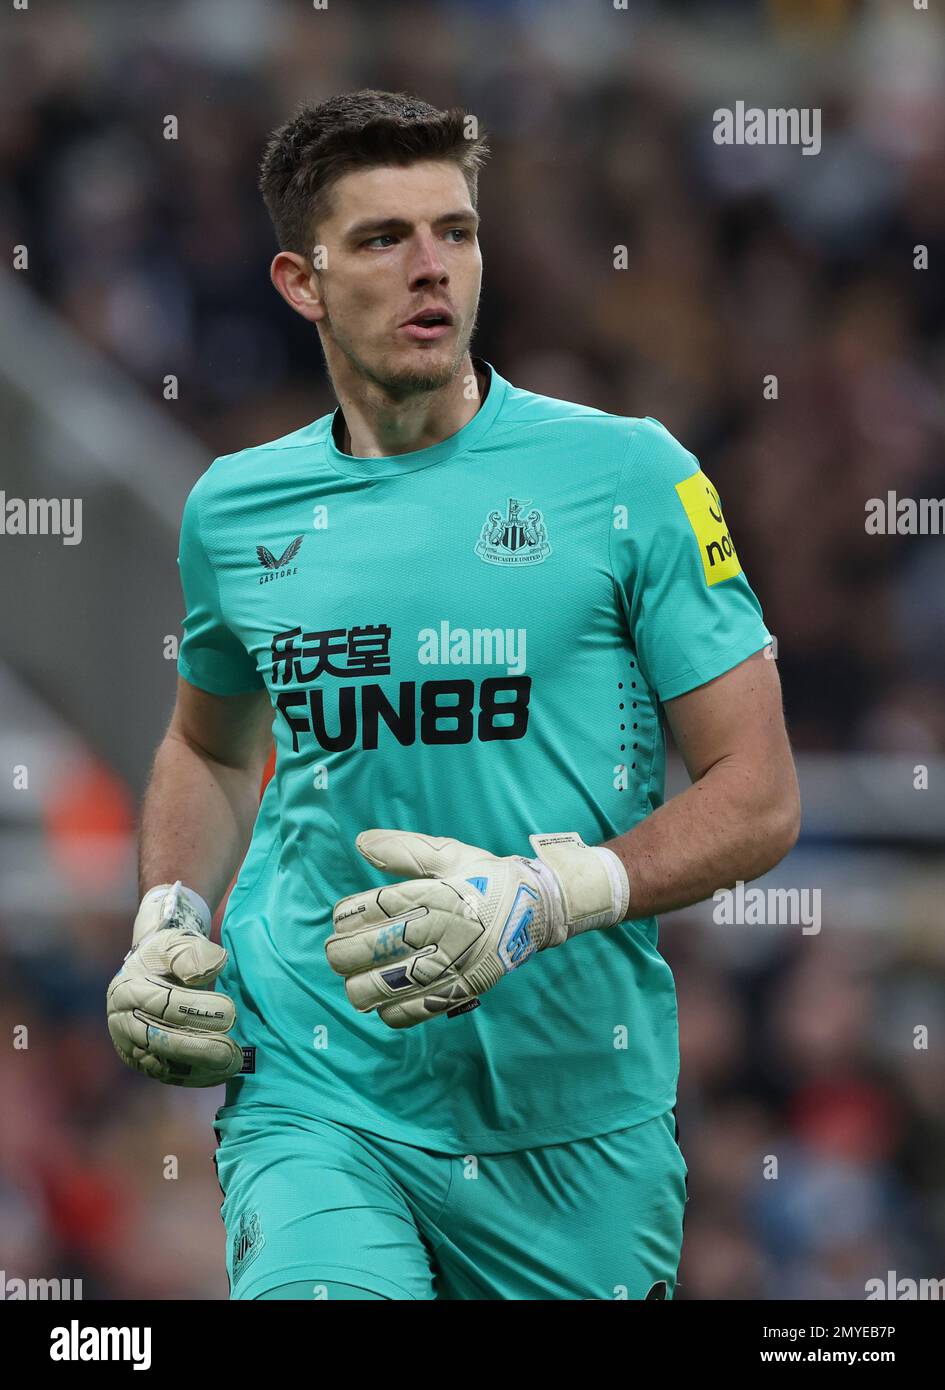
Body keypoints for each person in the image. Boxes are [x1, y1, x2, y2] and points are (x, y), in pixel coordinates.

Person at [107, 89, 800, 1301]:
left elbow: (760, 794)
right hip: (317, 1085)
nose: (433, 270)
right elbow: (211, 750)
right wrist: (169, 912)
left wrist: (553, 892)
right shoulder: (234, 508)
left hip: (574, 1114)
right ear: (299, 281)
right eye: (382, 240)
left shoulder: (633, 474)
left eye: (457, 231)